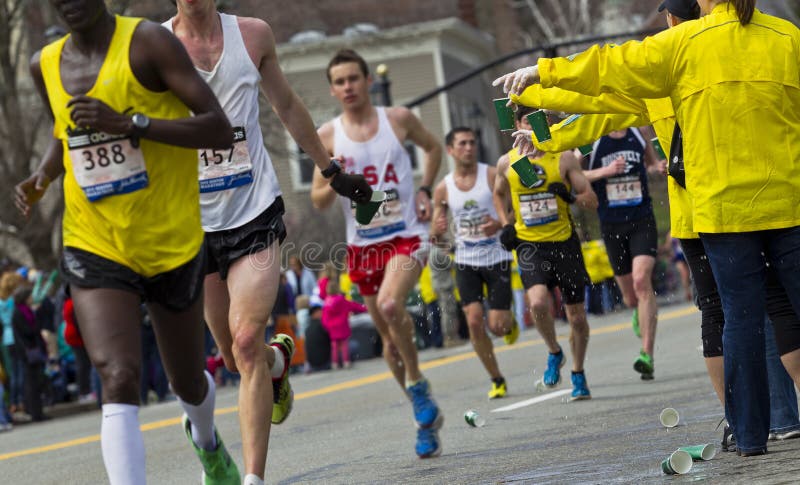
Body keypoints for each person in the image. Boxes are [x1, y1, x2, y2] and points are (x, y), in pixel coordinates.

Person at [495, 0, 800, 456]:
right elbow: (607, 101)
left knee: (734, 318)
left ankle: (750, 434)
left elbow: (608, 79)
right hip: (786, 201)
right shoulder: (786, 36)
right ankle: (781, 420)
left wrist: (541, 81)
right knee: (781, 309)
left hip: (717, 212)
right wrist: (545, 122)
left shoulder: (679, 48)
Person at [14, 0, 241, 481]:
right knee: (117, 375)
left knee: (186, 381)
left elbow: (219, 128)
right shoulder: (44, 64)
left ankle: (207, 442)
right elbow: (63, 134)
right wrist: (42, 176)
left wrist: (132, 124)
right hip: (95, 239)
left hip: (169, 239)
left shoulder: (148, 44)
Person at [165, 3, 371, 482]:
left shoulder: (253, 35)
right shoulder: (154, 45)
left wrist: (330, 170)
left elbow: (287, 106)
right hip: (192, 222)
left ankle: (253, 478)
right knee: (234, 355)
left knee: (244, 341)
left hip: (254, 209)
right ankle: (276, 362)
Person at [311, 48, 444, 458]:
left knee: (389, 305)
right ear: (332, 90)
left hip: (405, 234)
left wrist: (425, 189)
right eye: (340, 82)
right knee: (388, 342)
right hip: (362, 244)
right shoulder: (327, 136)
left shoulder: (398, 119)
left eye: (354, 78)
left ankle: (418, 383)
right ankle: (423, 417)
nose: (348, 87)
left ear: (368, 81)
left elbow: (433, 148)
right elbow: (318, 200)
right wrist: (335, 179)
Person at [493, 107, 598, 401]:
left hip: (564, 243)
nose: (532, 127)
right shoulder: (507, 162)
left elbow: (591, 200)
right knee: (537, 302)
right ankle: (554, 351)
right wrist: (505, 224)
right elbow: (498, 193)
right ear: (517, 125)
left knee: (577, 318)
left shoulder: (563, 158)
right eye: (527, 122)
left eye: (539, 122)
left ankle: (578, 371)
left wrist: (571, 196)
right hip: (529, 245)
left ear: (547, 126)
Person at [431, 127, 517, 399]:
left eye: (472, 143)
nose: (468, 148)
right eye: (462, 144)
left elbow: (516, 209)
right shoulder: (443, 188)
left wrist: (500, 224)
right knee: (474, 321)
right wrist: (437, 231)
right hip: (466, 260)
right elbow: (435, 235)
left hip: (496, 257)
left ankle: (509, 323)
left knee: (498, 327)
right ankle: (497, 379)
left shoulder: (491, 175)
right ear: (450, 150)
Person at [583, 127, 663, 379]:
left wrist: (658, 168)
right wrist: (604, 172)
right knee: (630, 297)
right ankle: (638, 311)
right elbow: (574, 175)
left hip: (642, 219)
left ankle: (647, 353)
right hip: (611, 225)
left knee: (641, 280)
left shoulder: (638, 131)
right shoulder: (591, 136)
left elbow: (651, 164)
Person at [321, 280, 367, 369]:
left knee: (334, 346)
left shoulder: (327, 302)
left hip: (332, 327)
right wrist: (365, 308)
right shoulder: (341, 300)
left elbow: (325, 317)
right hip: (342, 325)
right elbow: (353, 306)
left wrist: (326, 326)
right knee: (344, 345)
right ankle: (346, 361)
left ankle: (335, 363)